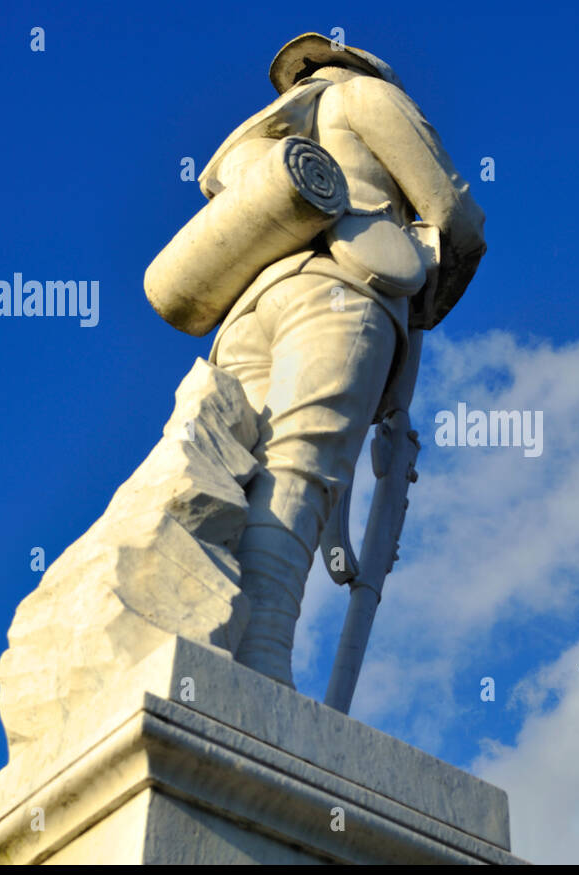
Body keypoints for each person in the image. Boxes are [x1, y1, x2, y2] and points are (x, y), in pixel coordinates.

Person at [204, 33, 486, 686]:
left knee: (231, 470)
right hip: (346, 293)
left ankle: (211, 637)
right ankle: (261, 658)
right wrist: (422, 297)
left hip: (248, 309)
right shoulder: (366, 96)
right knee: (300, 468)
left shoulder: (256, 141)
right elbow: (453, 213)